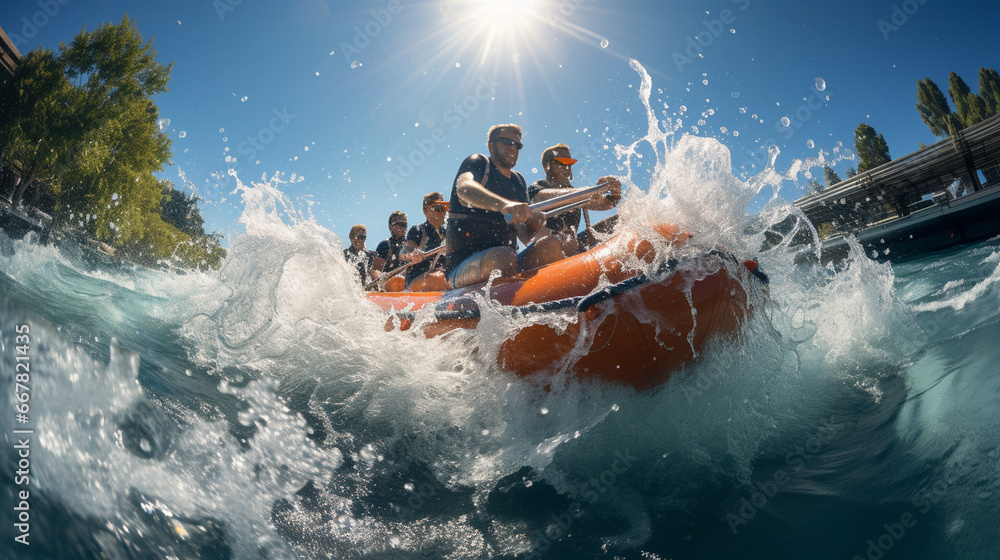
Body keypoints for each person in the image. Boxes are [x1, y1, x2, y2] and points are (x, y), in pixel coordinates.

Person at [445, 124, 564, 289]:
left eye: (517, 145)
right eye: (506, 142)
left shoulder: (518, 180)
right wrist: (504, 205)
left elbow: (524, 233)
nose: (513, 148)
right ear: (491, 145)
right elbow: (463, 188)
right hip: (462, 265)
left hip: (508, 260)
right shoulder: (478, 162)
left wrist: (533, 226)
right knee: (503, 256)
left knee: (551, 244)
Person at [528, 143, 621, 255]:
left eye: (570, 163)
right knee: (555, 243)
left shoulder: (575, 192)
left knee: (619, 220)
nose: (568, 168)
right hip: (546, 249)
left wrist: (615, 193)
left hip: (573, 245)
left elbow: (606, 204)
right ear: (548, 166)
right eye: (563, 162)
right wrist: (587, 192)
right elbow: (542, 198)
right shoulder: (538, 186)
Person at [400, 192, 451, 291]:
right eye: (439, 209)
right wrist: (413, 255)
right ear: (427, 210)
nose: (443, 213)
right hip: (417, 278)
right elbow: (403, 253)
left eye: (445, 209)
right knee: (440, 277)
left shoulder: (449, 232)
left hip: (442, 276)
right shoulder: (418, 230)